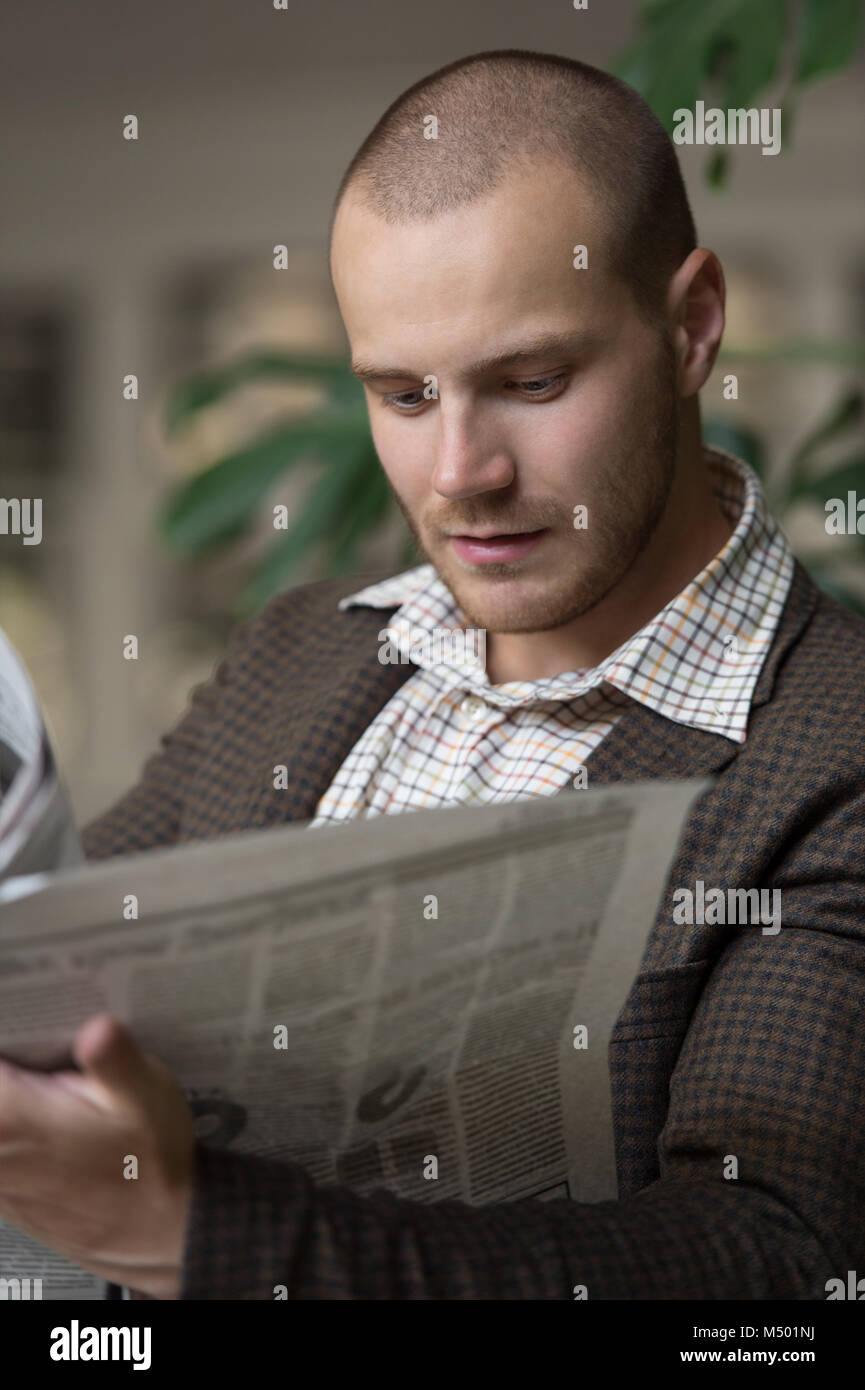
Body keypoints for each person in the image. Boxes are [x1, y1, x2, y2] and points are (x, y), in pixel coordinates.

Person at [2, 49, 864, 1300]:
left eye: (530, 382)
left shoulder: (834, 744)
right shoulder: (306, 648)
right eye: (401, 394)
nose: (459, 471)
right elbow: (79, 959)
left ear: (690, 327)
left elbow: (764, 1267)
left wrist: (188, 1233)